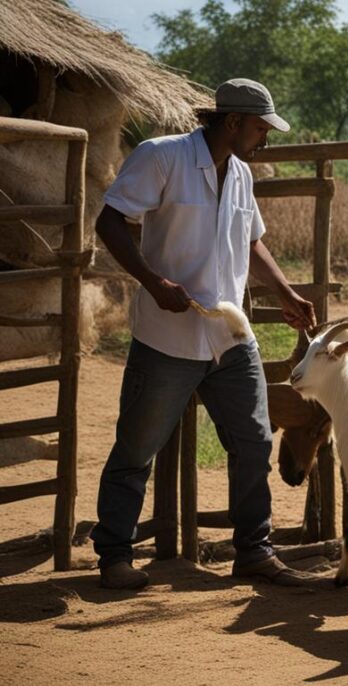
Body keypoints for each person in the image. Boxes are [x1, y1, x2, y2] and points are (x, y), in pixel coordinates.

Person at [91, 78, 317, 589]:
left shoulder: (240, 175)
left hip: (231, 339)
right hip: (168, 336)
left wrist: (285, 292)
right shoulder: (162, 156)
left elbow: (253, 242)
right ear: (232, 122)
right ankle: (114, 555)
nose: (265, 139)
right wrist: (152, 282)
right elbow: (109, 222)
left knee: (254, 442)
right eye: (260, 128)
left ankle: (254, 551)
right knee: (136, 448)